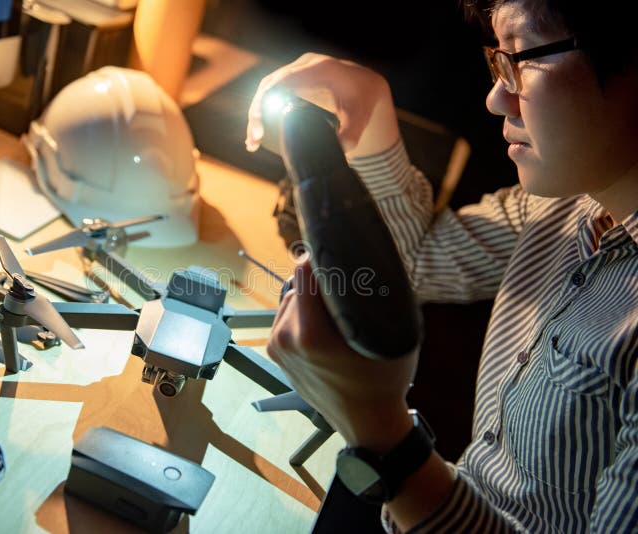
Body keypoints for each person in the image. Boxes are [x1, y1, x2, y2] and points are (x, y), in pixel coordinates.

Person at [245, 0, 638, 532]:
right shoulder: (566, 206)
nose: (497, 98)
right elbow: (419, 262)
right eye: (498, 62)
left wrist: (379, 431)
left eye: (522, 59)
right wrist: (371, 113)